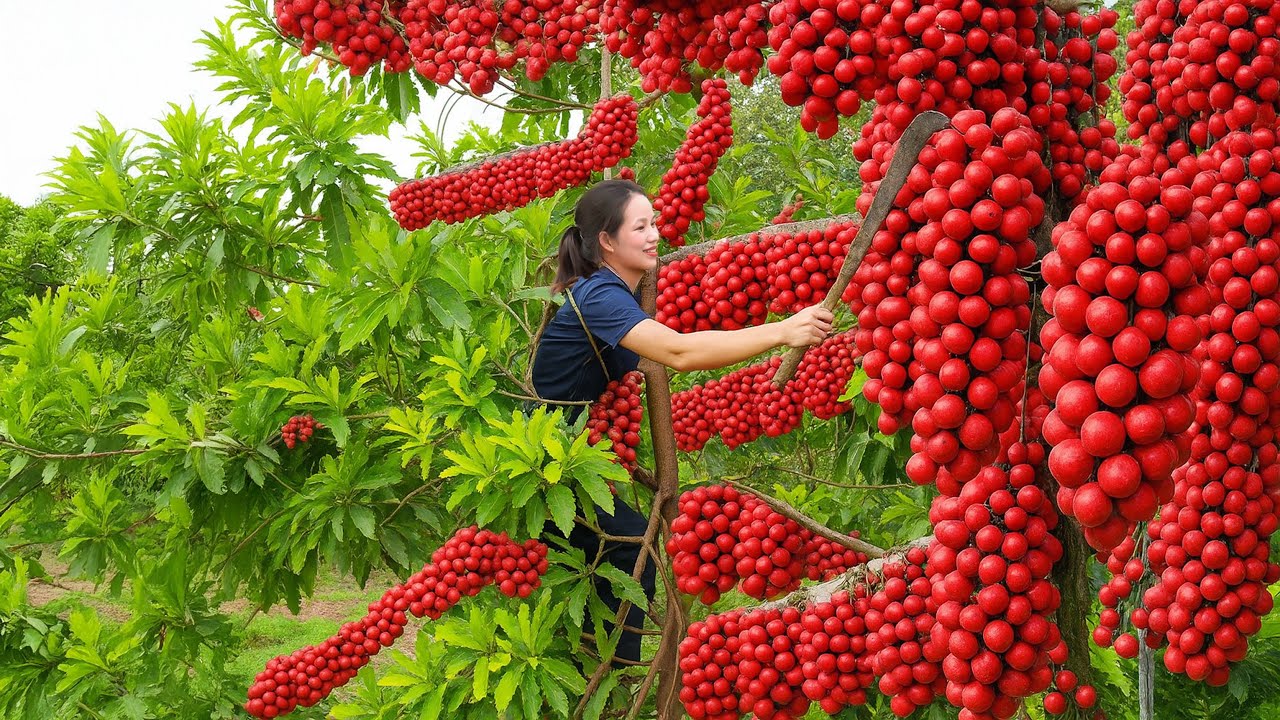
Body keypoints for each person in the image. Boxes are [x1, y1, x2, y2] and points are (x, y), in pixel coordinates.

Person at [530, 179, 834, 666]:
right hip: (541, 465)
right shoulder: (601, 297)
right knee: (631, 548)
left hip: (566, 456)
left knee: (618, 553)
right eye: (641, 226)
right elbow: (678, 351)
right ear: (607, 241)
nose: (655, 235)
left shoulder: (613, 290)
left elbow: (680, 336)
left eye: (654, 223)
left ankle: (596, 667)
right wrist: (782, 329)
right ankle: (609, 677)